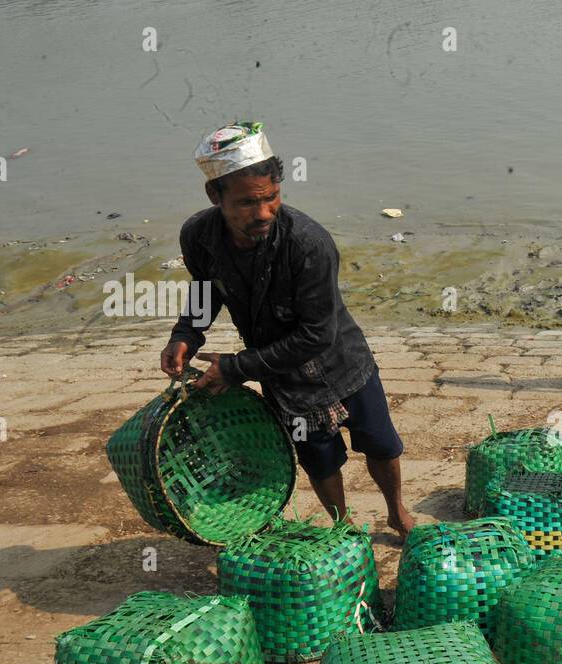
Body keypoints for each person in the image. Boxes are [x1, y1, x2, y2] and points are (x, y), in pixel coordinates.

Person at [160, 122, 415, 538]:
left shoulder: (308, 244)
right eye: (246, 203)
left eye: (271, 198)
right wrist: (186, 334)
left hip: (342, 363)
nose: (262, 213)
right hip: (281, 374)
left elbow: (317, 334)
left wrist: (235, 368)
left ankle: (397, 513)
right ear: (215, 196)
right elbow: (207, 290)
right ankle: (342, 525)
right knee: (318, 457)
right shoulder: (199, 236)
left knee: (381, 443)